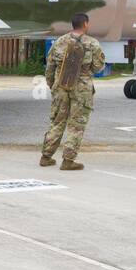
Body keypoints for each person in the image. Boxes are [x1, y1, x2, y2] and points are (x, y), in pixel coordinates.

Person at [40, 12, 106, 171]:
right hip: (82, 88)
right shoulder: (93, 43)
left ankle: (46, 156)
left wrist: (52, 85)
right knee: (77, 124)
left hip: (61, 85)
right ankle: (68, 160)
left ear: (73, 25)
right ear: (85, 24)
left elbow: (49, 67)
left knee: (57, 121)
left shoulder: (59, 42)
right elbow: (98, 67)